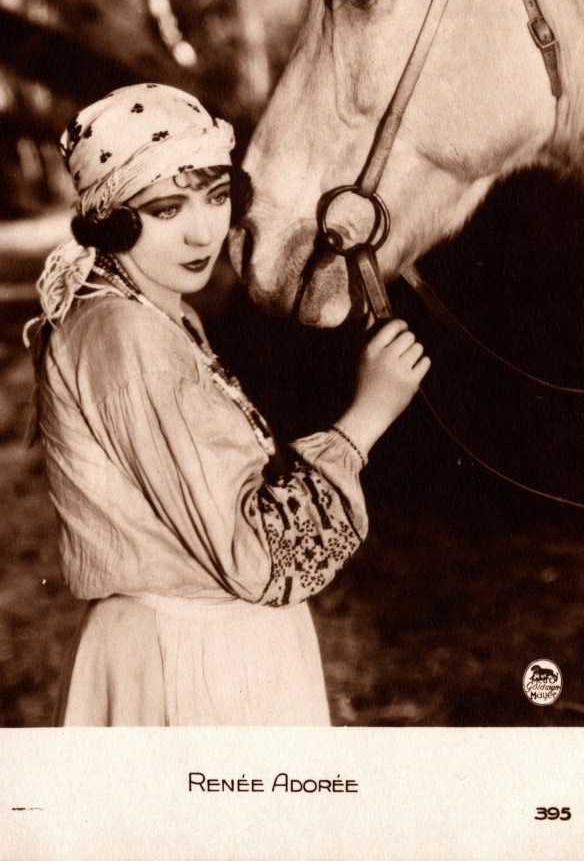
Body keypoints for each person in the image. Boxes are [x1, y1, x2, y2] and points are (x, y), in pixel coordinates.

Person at [25, 82, 431, 727]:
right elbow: (263, 558)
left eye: (216, 198)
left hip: (191, 638)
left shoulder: (151, 310)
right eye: (165, 210)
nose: (202, 231)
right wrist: (368, 417)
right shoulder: (129, 336)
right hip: (195, 656)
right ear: (112, 217)